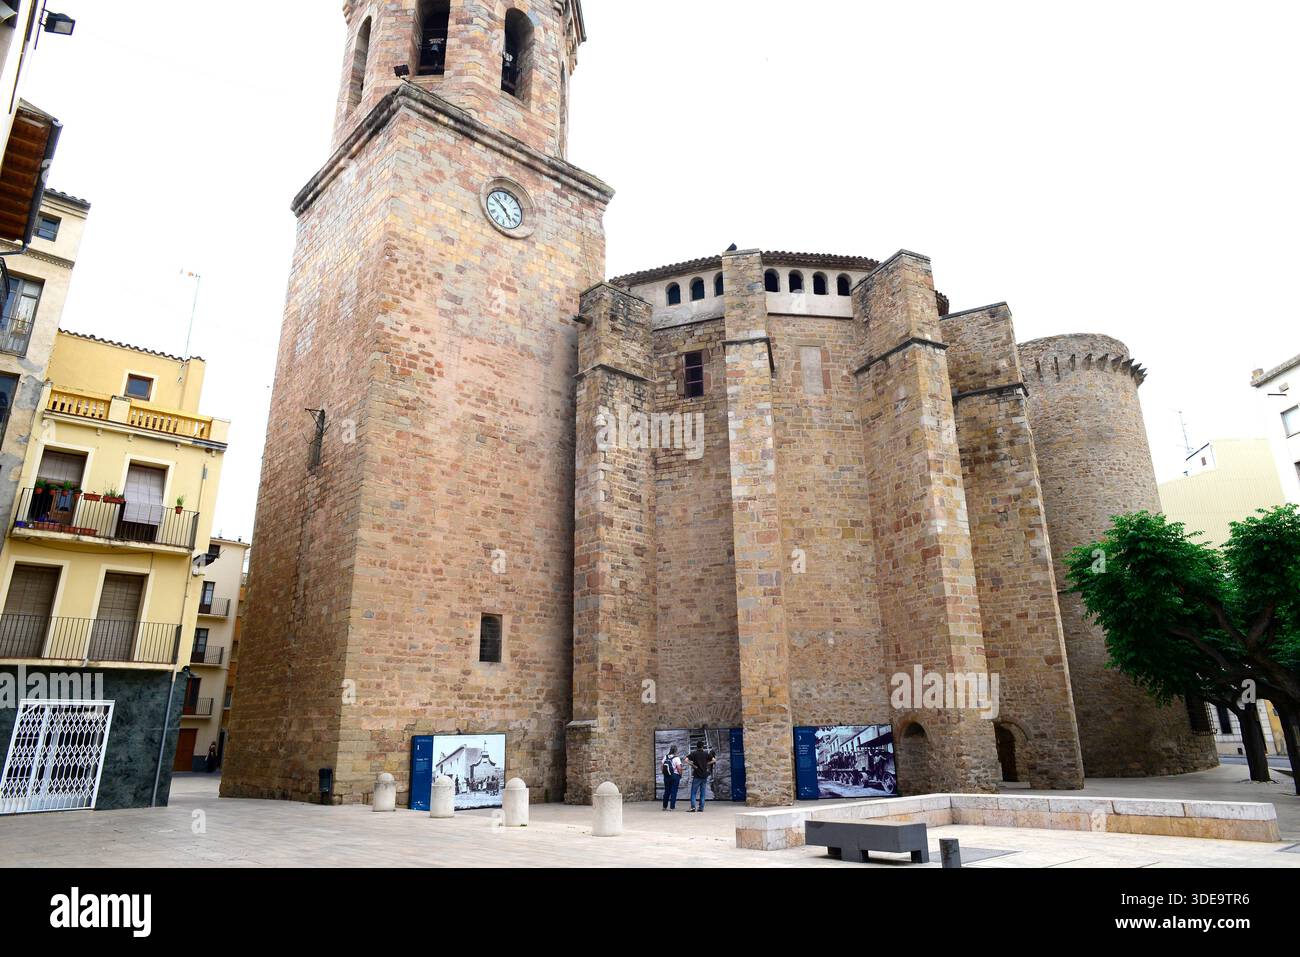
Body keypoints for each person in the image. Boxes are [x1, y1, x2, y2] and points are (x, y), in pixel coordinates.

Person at [687, 741, 712, 812]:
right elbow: (714, 760)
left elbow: (686, 760)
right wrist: (706, 764)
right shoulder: (706, 753)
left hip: (697, 775)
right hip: (704, 775)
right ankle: (701, 808)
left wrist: (693, 765)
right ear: (703, 746)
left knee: (693, 792)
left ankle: (693, 807)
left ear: (696, 746)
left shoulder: (694, 753)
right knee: (703, 792)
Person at [661, 745, 682, 810]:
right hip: (675, 776)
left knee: (667, 791)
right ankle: (672, 807)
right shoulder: (677, 758)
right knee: (673, 791)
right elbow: (679, 768)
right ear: (676, 751)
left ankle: (664, 806)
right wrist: (680, 774)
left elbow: (661, 766)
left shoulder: (665, 757)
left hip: (666, 776)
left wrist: (664, 773)